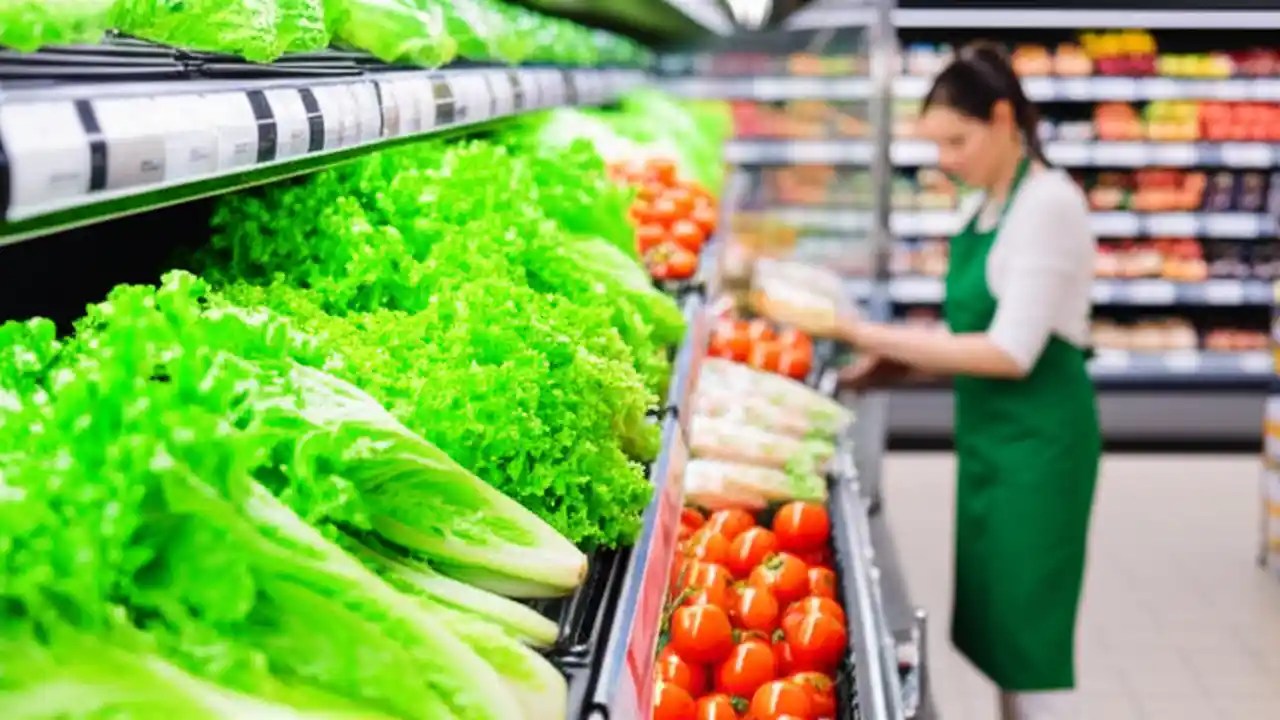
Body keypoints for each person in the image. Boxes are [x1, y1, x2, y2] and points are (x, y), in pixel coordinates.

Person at [757, 43, 1101, 720]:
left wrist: (864, 333)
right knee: (998, 627)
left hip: (1040, 447)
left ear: (1005, 119)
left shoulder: (1048, 205)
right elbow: (963, 339)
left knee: (1029, 634)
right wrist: (883, 370)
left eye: (957, 141)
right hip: (990, 440)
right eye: (937, 144)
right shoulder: (983, 207)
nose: (946, 160)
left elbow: (1010, 352)